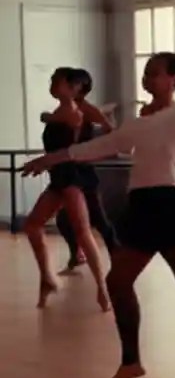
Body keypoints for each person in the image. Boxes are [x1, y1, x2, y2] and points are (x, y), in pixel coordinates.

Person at [22, 52, 175, 378]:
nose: (147, 78)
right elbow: (96, 146)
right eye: (145, 73)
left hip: (169, 206)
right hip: (141, 208)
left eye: (155, 74)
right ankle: (131, 362)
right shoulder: (137, 123)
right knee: (117, 283)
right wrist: (49, 159)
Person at [23, 67, 110, 311]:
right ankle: (48, 278)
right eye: (51, 80)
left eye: (57, 81)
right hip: (59, 178)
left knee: (83, 231)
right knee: (32, 225)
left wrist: (47, 118)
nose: (52, 84)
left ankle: (103, 289)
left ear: (74, 88)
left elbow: (69, 121)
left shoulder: (73, 112)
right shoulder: (64, 112)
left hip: (73, 178)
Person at [51, 68, 118, 273]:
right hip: (66, 171)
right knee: (63, 219)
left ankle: (119, 257)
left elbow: (109, 130)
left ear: (78, 88)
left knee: (98, 220)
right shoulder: (67, 108)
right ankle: (77, 255)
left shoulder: (85, 109)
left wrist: (93, 141)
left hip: (81, 173)